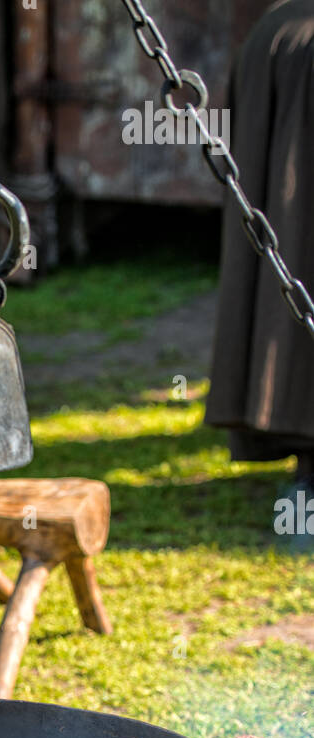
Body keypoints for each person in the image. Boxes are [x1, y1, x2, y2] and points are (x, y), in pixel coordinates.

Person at [205, 0, 314, 497]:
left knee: (286, 229)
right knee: (294, 233)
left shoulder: (270, 31)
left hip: (276, 48)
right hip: (294, 53)